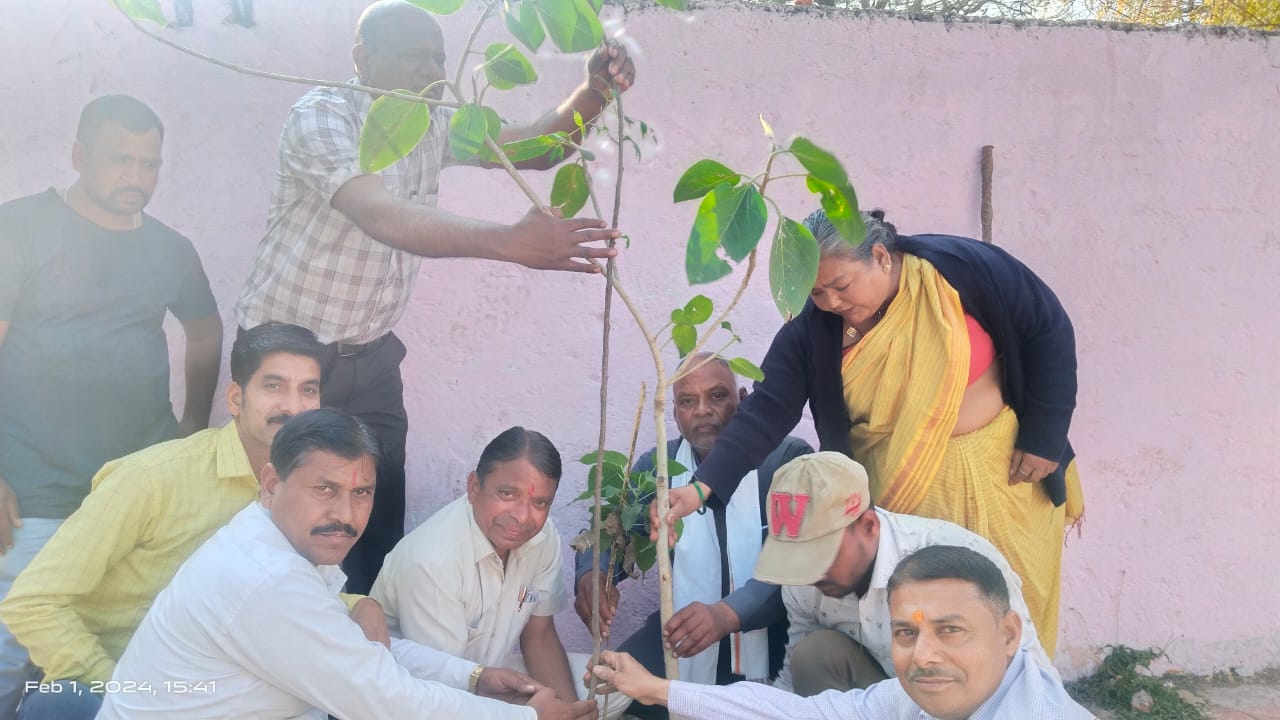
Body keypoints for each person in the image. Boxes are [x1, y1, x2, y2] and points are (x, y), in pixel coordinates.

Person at [234, 0, 637, 594]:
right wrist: (509, 242)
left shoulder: (428, 115)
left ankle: (362, 659)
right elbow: (380, 215)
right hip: (286, 362)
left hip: (369, 360)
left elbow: (529, 148)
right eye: (412, 58)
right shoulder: (323, 116)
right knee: (275, 523)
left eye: (437, 59)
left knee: (371, 529)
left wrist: (595, 91)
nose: (431, 73)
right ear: (362, 58)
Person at [658, 209, 1084, 655]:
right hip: (904, 498)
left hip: (1008, 478)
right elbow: (767, 409)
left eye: (841, 286)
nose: (831, 303)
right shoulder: (813, 329)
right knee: (932, 627)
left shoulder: (959, 268)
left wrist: (1045, 436)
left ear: (881, 256)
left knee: (1014, 617)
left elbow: (1046, 327)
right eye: (817, 292)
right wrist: (702, 489)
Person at [0, 324, 389, 720]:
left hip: (217, 696)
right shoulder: (152, 478)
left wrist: (359, 604)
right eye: (274, 386)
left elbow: (292, 592)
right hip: (108, 687)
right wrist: (126, 691)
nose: (293, 406)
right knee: (59, 704)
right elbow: (34, 600)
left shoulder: (311, 490)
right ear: (236, 398)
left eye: (308, 390)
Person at [100, 409, 595, 720]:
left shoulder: (282, 549)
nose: (345, 514)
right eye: (325, 489)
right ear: (271, 484)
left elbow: (362, 653)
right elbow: (383, 699)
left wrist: (473, 678)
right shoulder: (265, 579)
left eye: (361, 493)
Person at [0, 94, 221, 718]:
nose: (137, 177)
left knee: (113, 653)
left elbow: (205, 332)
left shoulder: (171, 249)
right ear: (78, 156)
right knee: (12, 648)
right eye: (120, 160)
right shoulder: (19, 227)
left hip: (131, 494)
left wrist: (189, 431)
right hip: (32, 490)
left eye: (149, 164)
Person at [590, 545, 1095, 720]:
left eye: (951, 630)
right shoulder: (911, 698)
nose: (924, 655)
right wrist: (658, 690)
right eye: (906, 633)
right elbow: (801, 712)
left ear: (1010, 634)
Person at [574, 354, 811, 718]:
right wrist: (594, 575)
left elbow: (799, 567)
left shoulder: (786, 460)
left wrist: (726, 614)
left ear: (742, 397)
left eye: (717, 396)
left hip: (775, 635)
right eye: (687, 401)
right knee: (606, 689)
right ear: (674, 413)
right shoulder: (661, 468)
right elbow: (610, 531)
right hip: (682, 634)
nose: (702, 411)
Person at [371, 426, 624, 718]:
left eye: (539, 502)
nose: (522, 517)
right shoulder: (431, 559)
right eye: (507, 494)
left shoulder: (542, 537)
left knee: (612, 685)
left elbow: (538, 635)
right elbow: (442, 689)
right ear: (473, 486)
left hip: (491, 678)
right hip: (421, 699)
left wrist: (568, 712)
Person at [757, 452, 1051, 696]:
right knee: (814, 654)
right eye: (796, 556)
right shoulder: (803, 583)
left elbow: (1029, 677)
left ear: (869, 526)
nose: (807, 573)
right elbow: (793, 675)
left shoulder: (959, 561)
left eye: (819, 552)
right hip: (892, 702)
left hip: (969, 707)